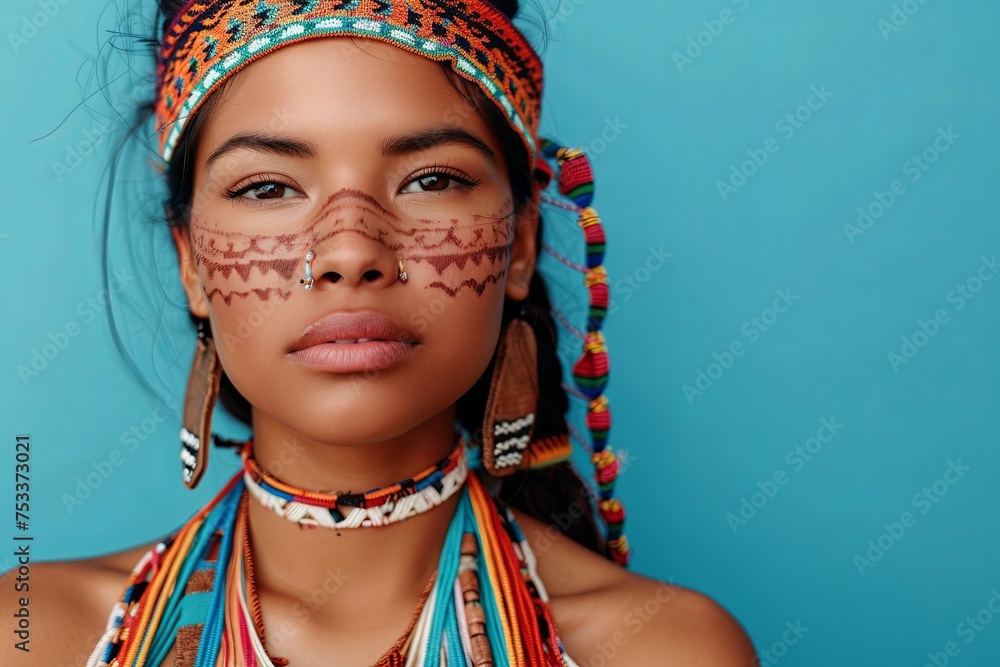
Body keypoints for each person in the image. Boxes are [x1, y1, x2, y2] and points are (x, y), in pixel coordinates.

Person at [2, 1, 756, 664]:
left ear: (521, 242)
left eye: (432, 179)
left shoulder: (664, 648)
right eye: (267, 187)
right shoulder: (34, 636)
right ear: (191, 261)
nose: (351, 251)